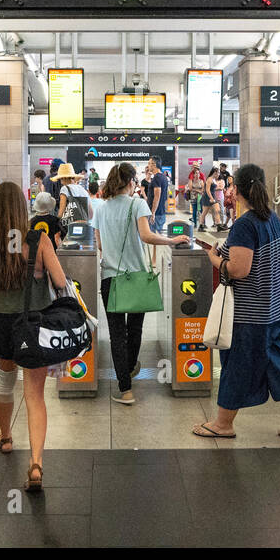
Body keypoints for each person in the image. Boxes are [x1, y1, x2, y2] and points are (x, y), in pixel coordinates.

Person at [193, 164, 280, 442]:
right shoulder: (272, 218)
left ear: (235, 190)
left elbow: (239, 270)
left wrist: (215, 259)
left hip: (250, 315)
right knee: (279, 365)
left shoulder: (245, 225)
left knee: (237, 365)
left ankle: (223, 424)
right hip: (277, 310)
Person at [0, 181, 69, 492]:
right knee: (34, 393)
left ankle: (5, 438)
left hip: (3, 320)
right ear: (23, 206)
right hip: (36, 323)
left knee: (4, 381)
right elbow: (60, 282)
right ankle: (35, 463)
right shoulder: (39, 239)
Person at [93, 162, 192, 404]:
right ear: (130, 182)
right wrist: (172, 240)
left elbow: (100, 246)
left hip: (111, 279)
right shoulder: (137, 204)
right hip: (136, 277)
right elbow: (146, 236)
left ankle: (125, 389)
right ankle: (128, 367)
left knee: (117, 334)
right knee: (134, 329)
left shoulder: (101, 209)